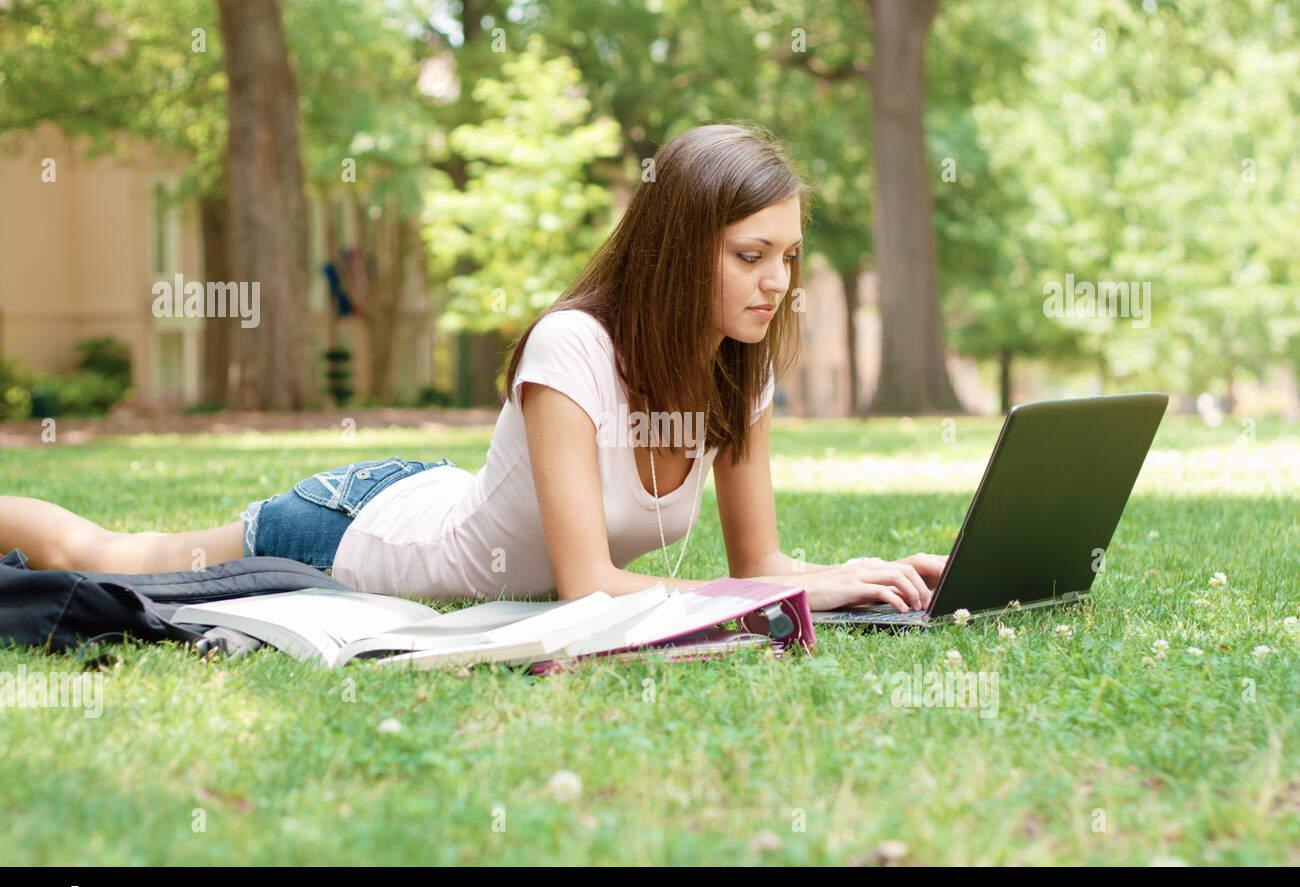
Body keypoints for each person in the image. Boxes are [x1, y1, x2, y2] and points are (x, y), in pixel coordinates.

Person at [0, 123, 946, 613]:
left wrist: (856, 577)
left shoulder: (739, 368)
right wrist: (777, 597)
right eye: (750, 255)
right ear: (675, 249)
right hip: (346, 533)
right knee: (108, 561)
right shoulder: (572, 346)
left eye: (787, 255)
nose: (776, 281)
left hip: (435, 492)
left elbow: (760, 565)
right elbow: (589, 587)